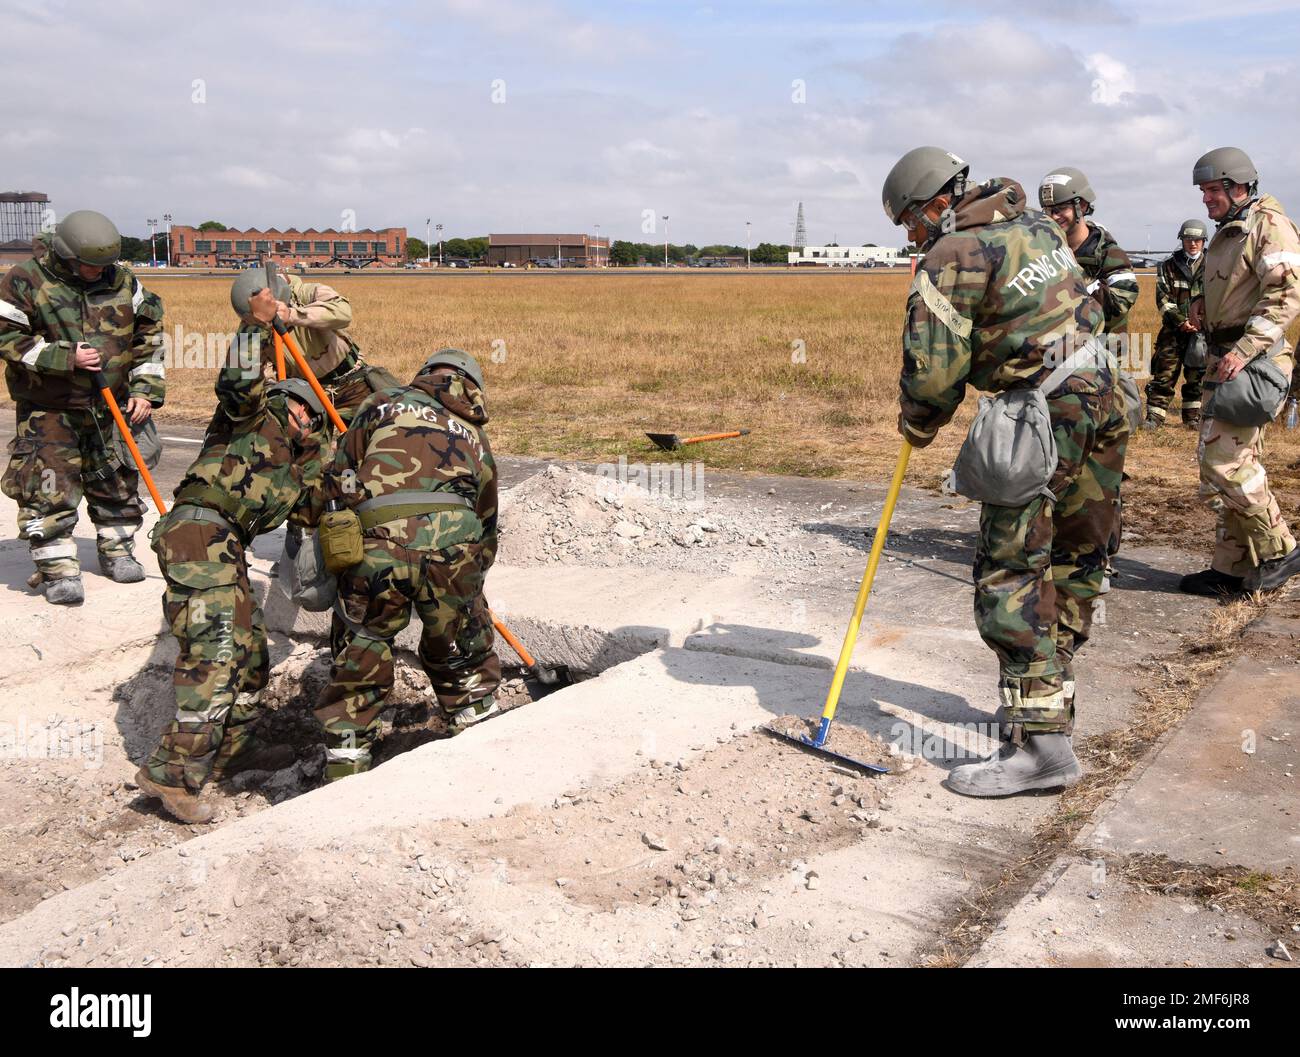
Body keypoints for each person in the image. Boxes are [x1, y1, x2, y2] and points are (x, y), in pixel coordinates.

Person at [882, 147, 1128, 797]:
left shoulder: (949, 257)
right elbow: (1091, 309)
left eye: (910, 222)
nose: (912, 237)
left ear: (935, 204)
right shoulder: (1038, 226)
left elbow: (933, 375)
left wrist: (917, 423)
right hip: (1104, 391)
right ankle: (1043, 705)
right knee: (1080, 556)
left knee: (1010, 574)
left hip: (1040, 418)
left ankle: (1044, 750)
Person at [134, 364, 334, 823]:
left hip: (225, 545)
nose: (312, 425)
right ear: (295, 404)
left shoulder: (294, 465)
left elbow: (320, 505)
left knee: (249, 650)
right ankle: (172, 772)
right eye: (311, 415)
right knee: (217, 653)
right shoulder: (251, 417)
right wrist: (254, 326)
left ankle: (234, 747)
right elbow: (237, 382)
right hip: (198, 532)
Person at [313, 349, 500, 781]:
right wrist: (471, 584)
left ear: (425, 375)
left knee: (363, 639)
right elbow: (487, 517)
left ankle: (347, 761)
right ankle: (477, 737)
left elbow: (339, 476)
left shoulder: (380, 404)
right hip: (457, 548)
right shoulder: (474, 433)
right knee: (460, 643)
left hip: (380, 544)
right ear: (471, 387)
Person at [0, 211, 164, 604]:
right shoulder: (26, 280)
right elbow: (6, 335)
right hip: (50, 409)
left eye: (103, 266)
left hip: (113, 406)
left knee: (117, 481)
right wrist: (63, 357)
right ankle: (56, 567)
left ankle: (118, 550)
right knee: (49, 486)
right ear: (65, 255)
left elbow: (149, 335)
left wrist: (144, 389)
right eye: (89, 266)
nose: (97, 273)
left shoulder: (124, 280)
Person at [1180, 147, 1300, 597]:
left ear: (1239, 186)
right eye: (1204, 191)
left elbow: (1286, 295)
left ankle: (1280, 549)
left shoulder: (1268, 226)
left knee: (1225, 463)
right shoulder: (1231, 229)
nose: (1206, 199)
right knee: (1229, 462)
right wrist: (1203, 306)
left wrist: (1246, 349)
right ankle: (1230, 568)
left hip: (1251, 361)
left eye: (1213, 190)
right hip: (1226, 357)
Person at [228, 267, 396, 423]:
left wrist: (293, 315)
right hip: (305, 397)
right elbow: (247, 377)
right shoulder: (255, 330)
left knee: (378, 434)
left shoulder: (306, 293)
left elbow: (343, 313)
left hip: (352, 385)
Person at [1038, 167, 1139, 333]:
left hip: (1102, 352)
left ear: (1082, 205)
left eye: (1060, 208)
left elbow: (1118, 307)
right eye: (1048, 210)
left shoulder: (1111, 255)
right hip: (1057, 351)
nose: (1054, 216)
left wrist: (1075, 271)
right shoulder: (1045, 250)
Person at [1144, 219, 1208, 429]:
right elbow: (1163, 299)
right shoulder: (1168, 266)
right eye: (1188, 239)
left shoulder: (1213, 265)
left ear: (1203, 241)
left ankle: (1192, 418)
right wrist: (1181, 321)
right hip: (1173, 331)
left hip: (1201, 333)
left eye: (1197, 239)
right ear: (1182, 240)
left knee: (1197, 376)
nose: (1193, 244)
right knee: (1164, 374)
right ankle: (1155, 417)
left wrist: (1200, 322)